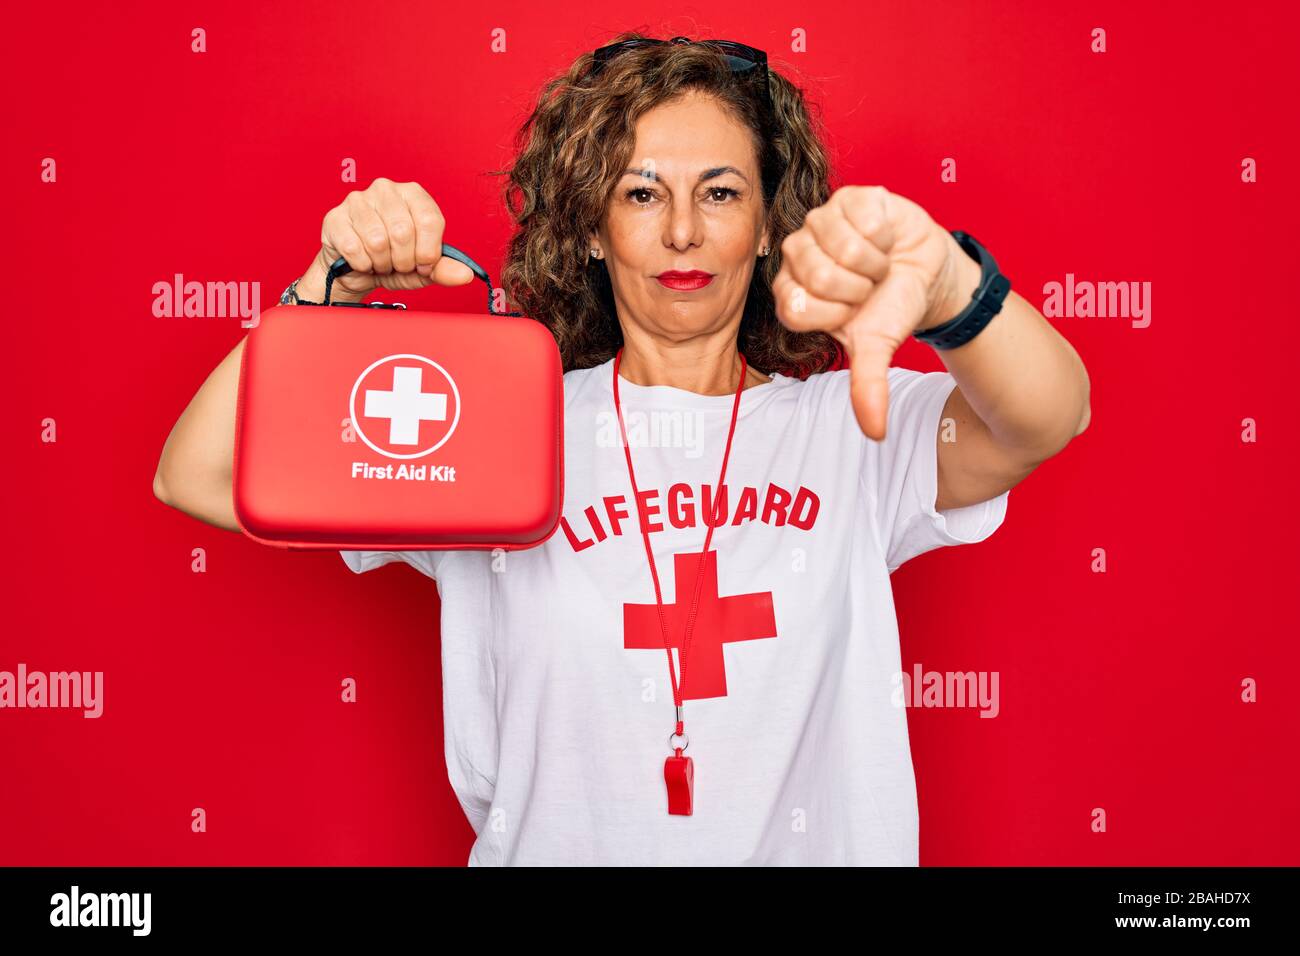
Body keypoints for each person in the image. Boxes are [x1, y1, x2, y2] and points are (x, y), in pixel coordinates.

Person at [153, 33, 1090, 865]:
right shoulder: (496, 423)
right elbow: (199, 473)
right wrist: (326, 292)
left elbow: (1047, 416)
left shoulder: (852, 424)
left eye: (720, 192)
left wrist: (953, 288)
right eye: (641, 193)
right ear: (593, 230)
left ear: (768, 226)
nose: (682, 231)